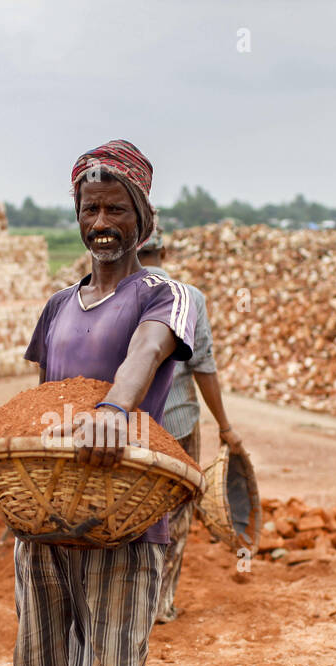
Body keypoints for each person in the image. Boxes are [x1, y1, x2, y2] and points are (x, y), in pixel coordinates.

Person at [16, 139, 196, 666]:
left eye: (116, 208)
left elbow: (145, 355)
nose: (101, 220)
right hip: (48, 518)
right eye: (89, 208)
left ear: (143, 218)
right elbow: (40, 399)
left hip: (126, 518)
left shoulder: (163, 296)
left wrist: (116, 409)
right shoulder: (58, 304)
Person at [138, 226, 244, 624]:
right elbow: (203, 366)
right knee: (176, 516)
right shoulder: (189, 297)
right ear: (164, 249)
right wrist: (225, 425)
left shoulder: (118, 295)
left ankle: (127, 603)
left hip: (129, 425)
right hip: (179, 422)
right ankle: (161, 604)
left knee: (132, 511)